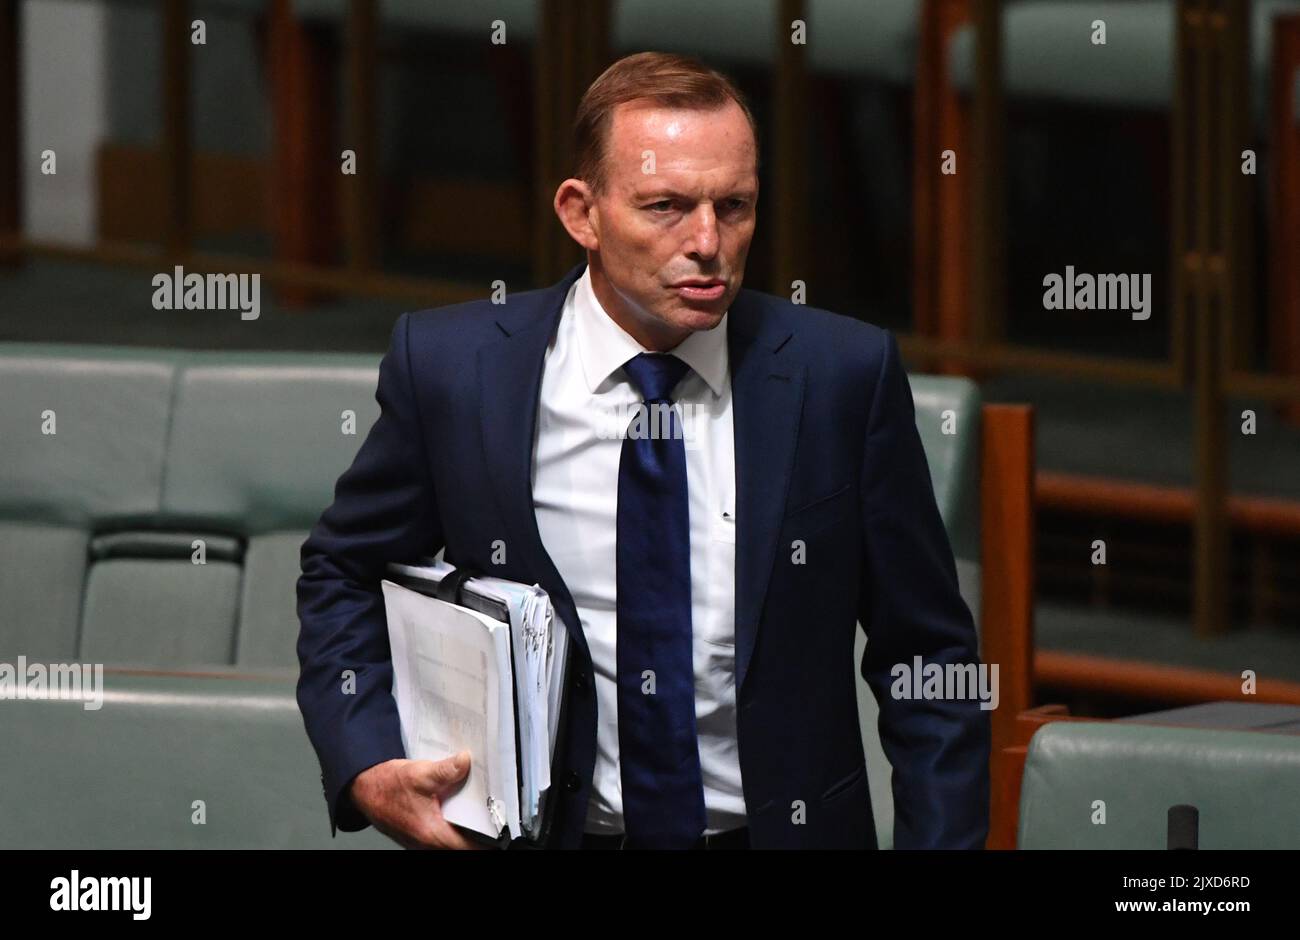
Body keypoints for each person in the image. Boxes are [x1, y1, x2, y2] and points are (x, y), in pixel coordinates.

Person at [296, 51, 989, 850]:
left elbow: (931, 660)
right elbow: (343, 571)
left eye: (734, 206)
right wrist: (367, 759)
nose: (707, 243)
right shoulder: (455, 371)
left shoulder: (841, 378)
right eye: (666, 206)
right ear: (580, 212)